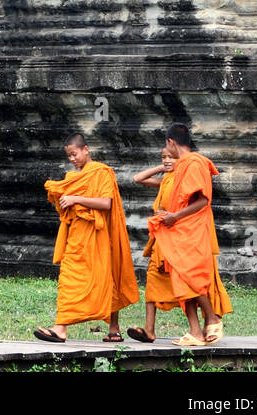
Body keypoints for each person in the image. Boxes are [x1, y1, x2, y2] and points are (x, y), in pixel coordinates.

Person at [34, 132, 138, 344]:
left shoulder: (102, 172)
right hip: (78, 238)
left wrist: (74, 199)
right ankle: (60, 328)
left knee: (107, 278)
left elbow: (106, 203)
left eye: (75, 154)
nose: (72, 159)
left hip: (99, 236)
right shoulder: (73, 178)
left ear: (86, 150)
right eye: (69, 156)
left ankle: (114, 329)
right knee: (69, 278)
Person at [147, 123, 226, 346]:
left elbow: (202, 200)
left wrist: (175, 216)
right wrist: (169, 216)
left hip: (191, 229)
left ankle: (212, 319)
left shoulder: (195, 162)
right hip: (177, 230)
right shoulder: (181, 166)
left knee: (190, 276)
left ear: (171, 142)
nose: (166, 149)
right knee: (180, 279)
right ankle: (195, 332)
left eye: (165, 144)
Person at [128, 147, 180, 343]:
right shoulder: (166, 179)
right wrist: (164, 166)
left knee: (186, 282)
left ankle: (202, 327)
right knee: (152, 279)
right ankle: (149, 329)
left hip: (179, 238)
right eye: (163, 157)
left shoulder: (185, 181)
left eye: (171, 157)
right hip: (161, 238)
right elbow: (138, 178)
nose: (167, 160)